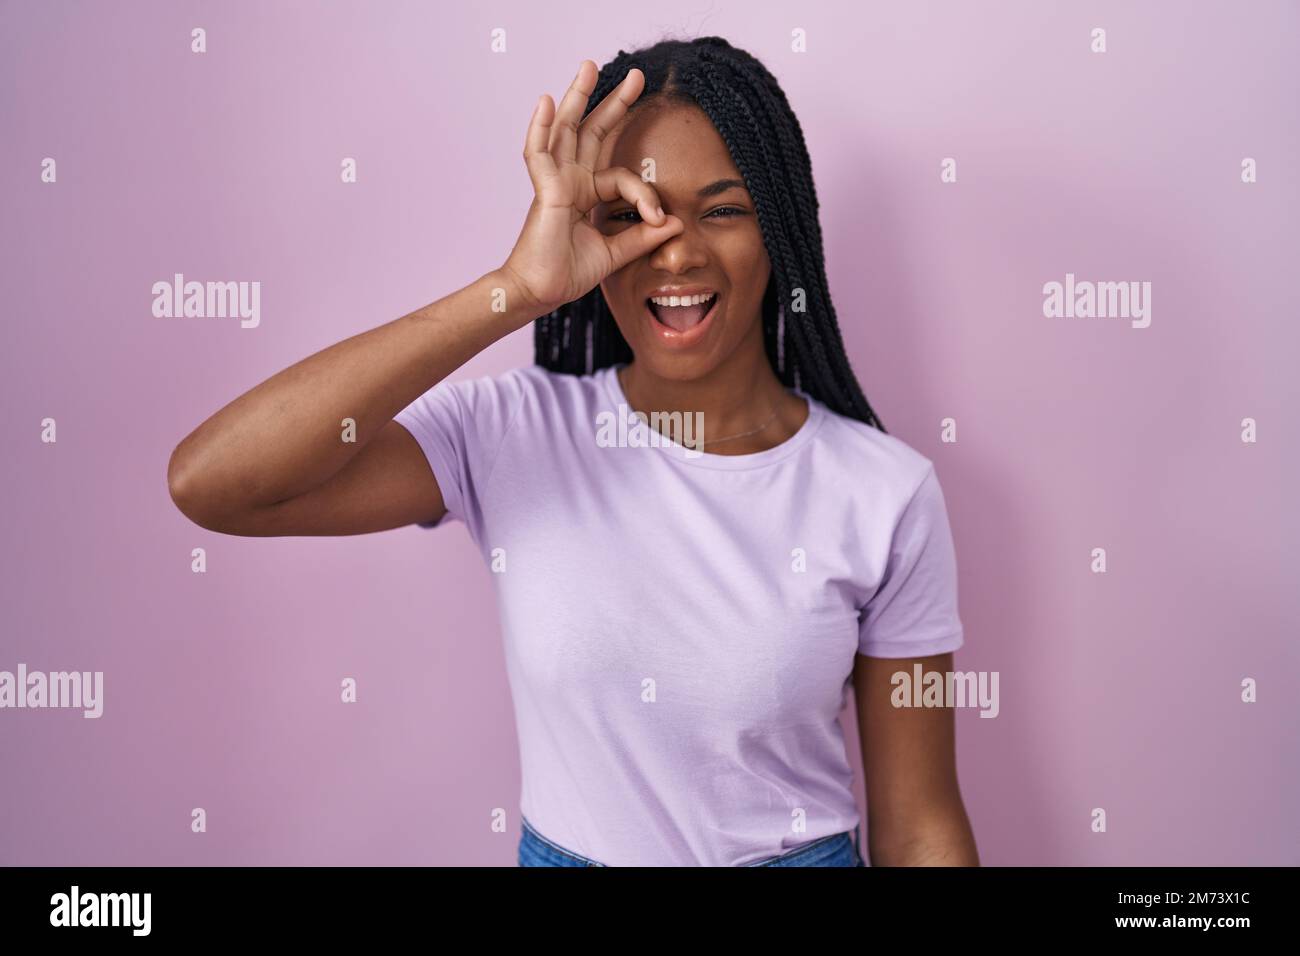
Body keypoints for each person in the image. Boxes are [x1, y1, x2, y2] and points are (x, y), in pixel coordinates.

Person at [167, 36, 979, 867]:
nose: (676, 251)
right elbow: (216, 483)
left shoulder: (886, 493)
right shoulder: (511, 433)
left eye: (723, 210)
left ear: (779, 228)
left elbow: (920, 826)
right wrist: (514, 290)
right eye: (630, 213)